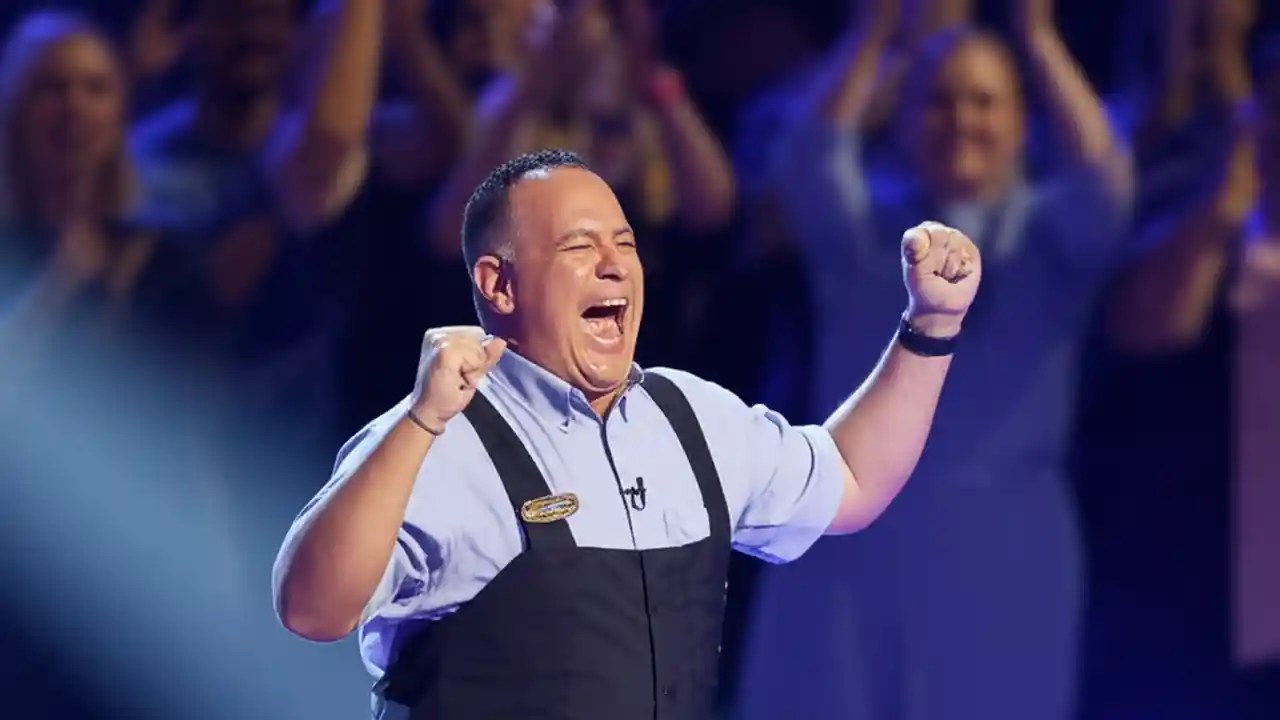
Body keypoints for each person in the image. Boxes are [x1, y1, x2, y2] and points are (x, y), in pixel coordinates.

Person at [271, 148, 982, 718]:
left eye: (625, 243)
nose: (615, 264)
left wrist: (931, 327)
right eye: (580, 247)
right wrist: (420, 420)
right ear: (500, 286)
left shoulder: (691, 419)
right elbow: (311, 610)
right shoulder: (439, 438)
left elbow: (851, 480)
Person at [732, 1, 1132, 718]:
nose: (962, 120)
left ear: (1021, 123)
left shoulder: (1049, 240)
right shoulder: (869, 234)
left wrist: (1038, 39)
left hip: (1006, 545)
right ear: (907, 117)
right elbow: (806, 158)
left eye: (985, 101)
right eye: (939, 100)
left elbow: (1108, 184)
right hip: (856, 542)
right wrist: (872, 30)